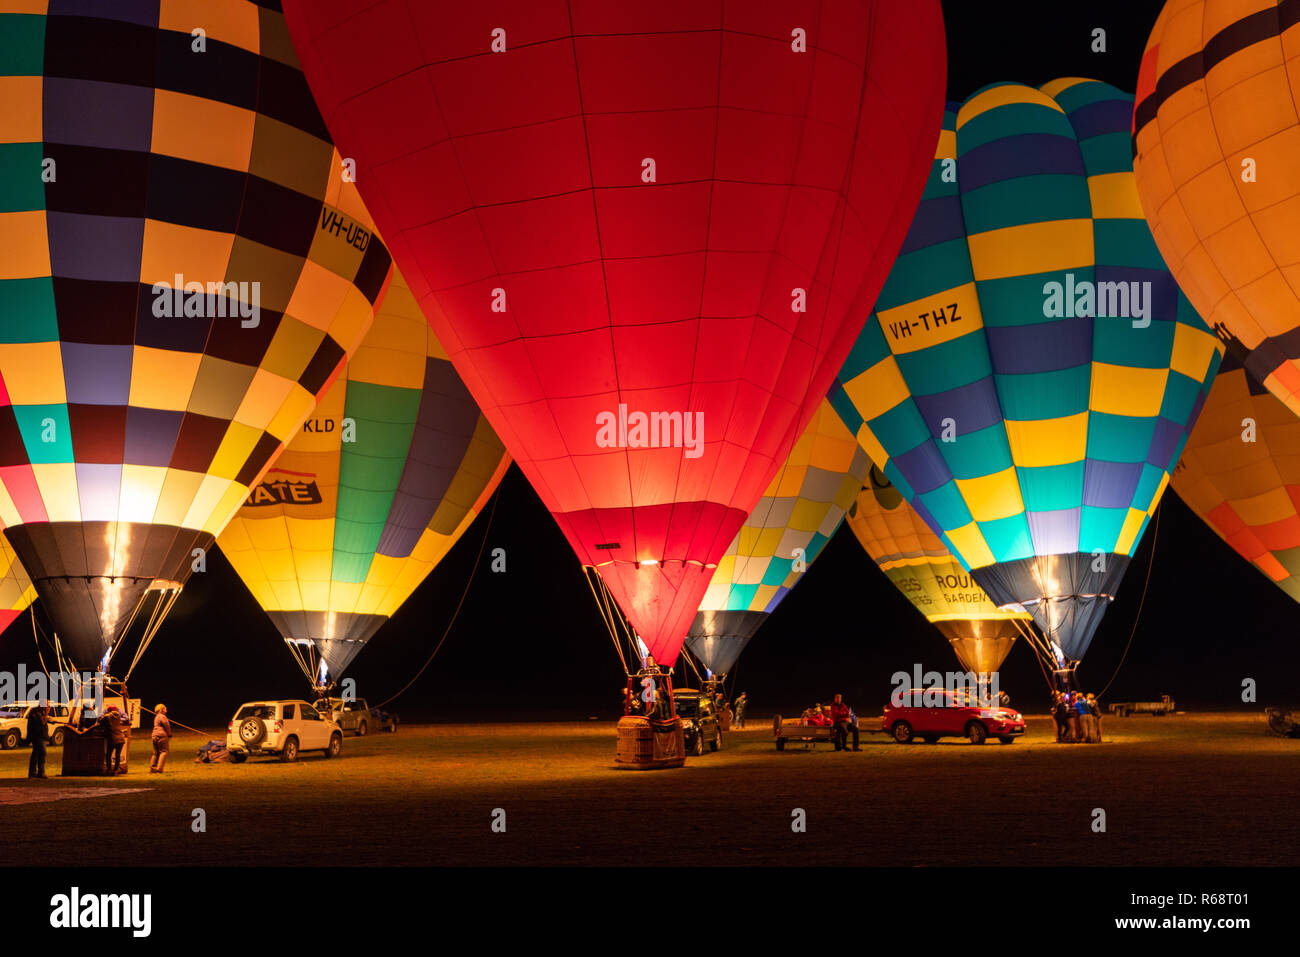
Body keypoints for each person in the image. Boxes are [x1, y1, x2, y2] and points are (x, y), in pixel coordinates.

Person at [97, 705, 129, 774]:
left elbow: (99, 720)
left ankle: (109, 769)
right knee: (117, 755)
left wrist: (105, 715)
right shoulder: (118, 717)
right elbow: (126, 719)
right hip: (121, 738)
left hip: (112, 739)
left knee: (108, 755)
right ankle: (116, 770)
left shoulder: (107, 718)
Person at [26, 705, 49, 778]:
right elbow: (41, 722)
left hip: (40, 736)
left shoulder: (40, 712)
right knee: (42, 752)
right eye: (47, 705)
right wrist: (46, 714)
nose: (48, 707)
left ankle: (33, 772)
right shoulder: (35, 712)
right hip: (37, 736)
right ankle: (41, 772)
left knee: (36, 753)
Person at [150, 704, 172, 774]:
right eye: (165, 708)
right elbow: (167, 725)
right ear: (162, 709)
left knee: (156, 753)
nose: (166, 710)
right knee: (164, 751)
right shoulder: (162, 716)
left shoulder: (156, 717)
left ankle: (153, 768)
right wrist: (169, 734)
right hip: (161, 736)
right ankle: (159, 769)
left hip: (154, 735)